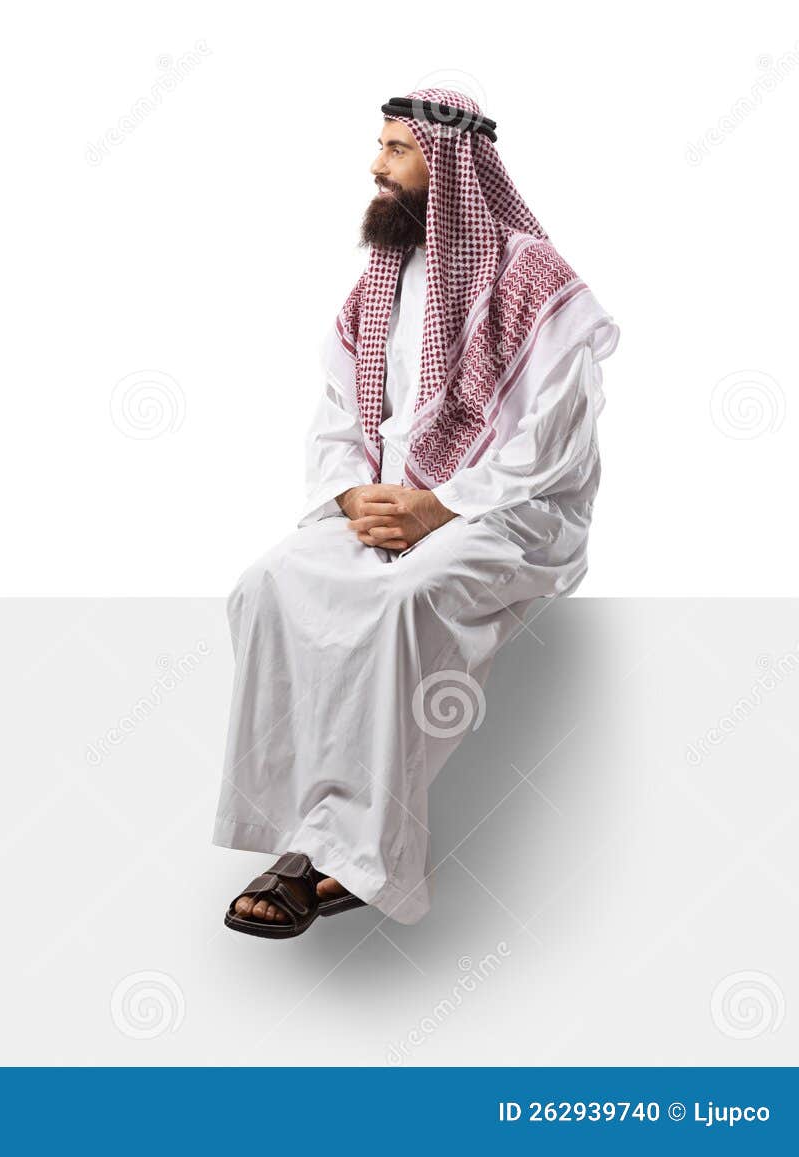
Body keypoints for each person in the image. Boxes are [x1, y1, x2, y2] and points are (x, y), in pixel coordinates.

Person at [216, 89, 617, 937]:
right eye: (380, 145)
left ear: (452, 165)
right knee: (268, 583)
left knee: (399, 606)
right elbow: (338, 410)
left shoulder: (530, 278)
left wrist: (439, 508)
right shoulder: (382, 276)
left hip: (510, 513)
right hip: (394, 505)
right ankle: (299, 826)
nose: (376, 164)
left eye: (397, 149)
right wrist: (349, 492)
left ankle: (349, 858)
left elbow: (554, 445)